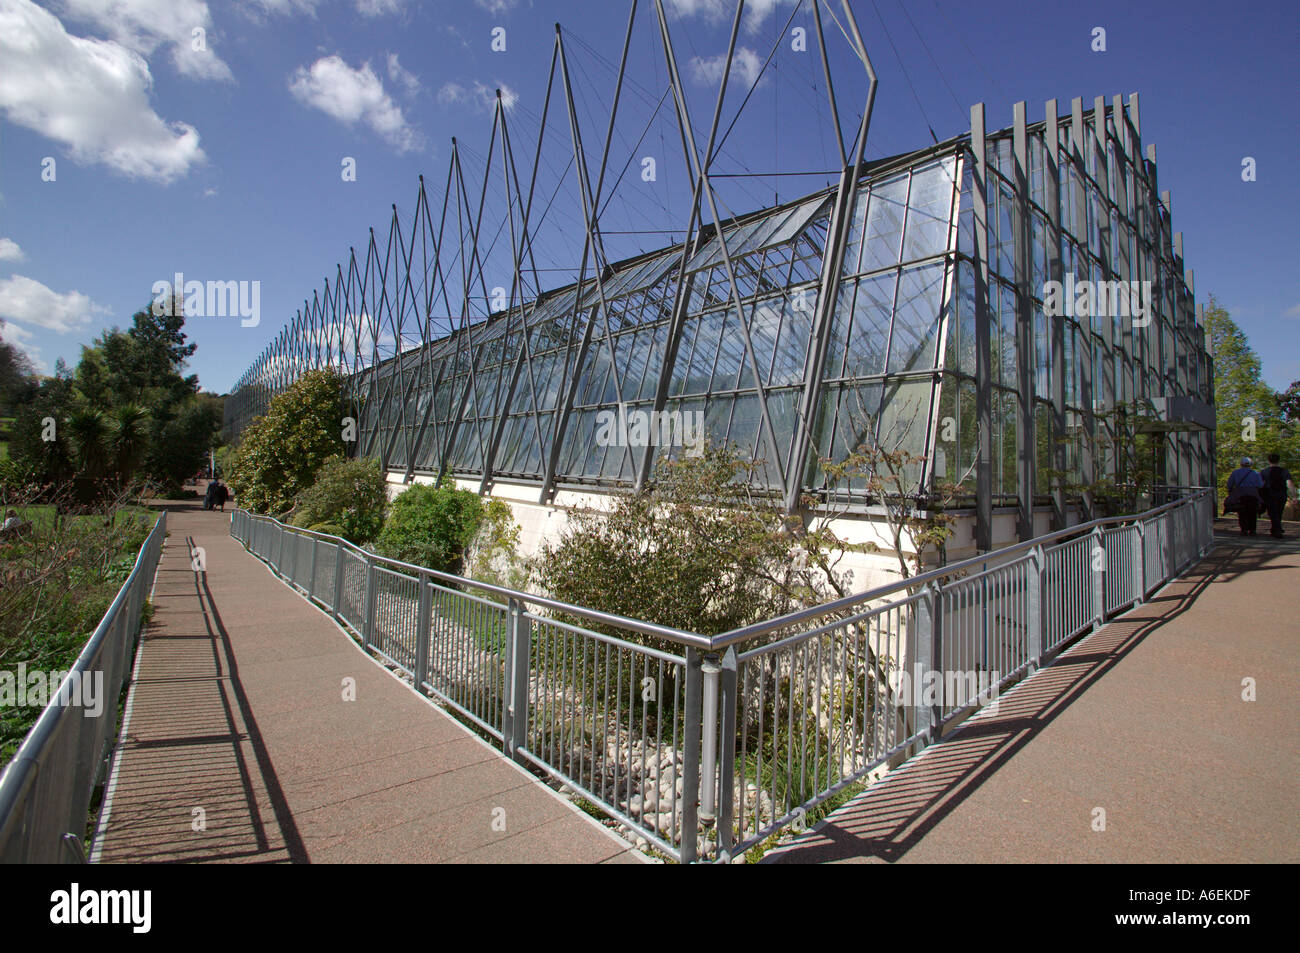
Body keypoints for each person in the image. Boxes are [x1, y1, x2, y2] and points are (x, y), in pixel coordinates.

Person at [1226, 457, 1264, 536]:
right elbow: (1260, 485)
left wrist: (1231, 492)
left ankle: (1244, 529)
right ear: (1251, 464)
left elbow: (1229, 484)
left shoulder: (1235, 472)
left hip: (1240, 495)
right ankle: (1252, 530)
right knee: (1253, 512)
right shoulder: (1256, 473)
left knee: (1242, 512)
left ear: (1241, 464)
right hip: (1252, 495)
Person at [1259, 453, 1294, 539]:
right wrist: (1294, 496)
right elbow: (1289, 484)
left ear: (1268, 460)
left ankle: (1277, 530)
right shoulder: (1284, 471)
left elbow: (1260, 484)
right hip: (1281, 494)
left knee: (1272, 513)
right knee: (1279, 512)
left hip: (1269, 494)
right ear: (1278, 460)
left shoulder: (1264, 472)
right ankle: (1276, 529)